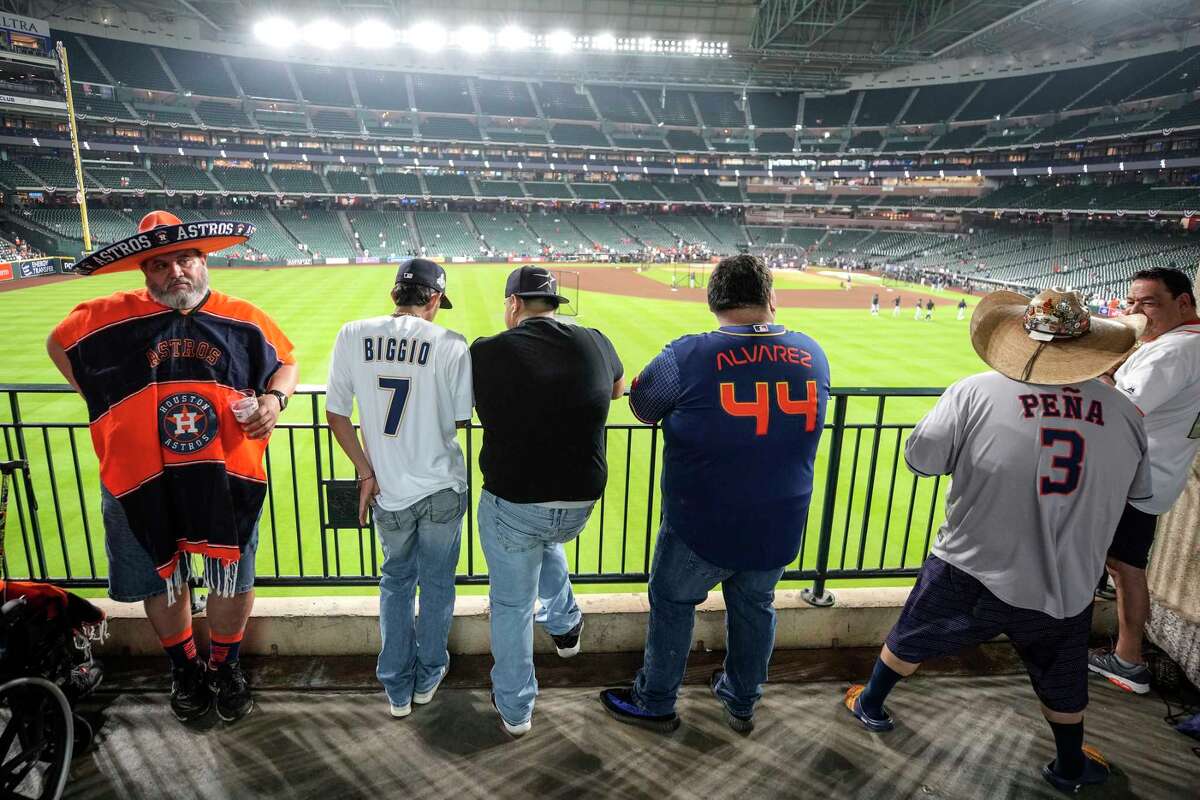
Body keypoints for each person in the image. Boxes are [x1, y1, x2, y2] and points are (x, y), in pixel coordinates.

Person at [843, 289, 1149, 794]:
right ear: (1091, 345)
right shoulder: (1125, 414)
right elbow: (1140, 494)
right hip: (1068, 577)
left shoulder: (975, 391)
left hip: (971, 562)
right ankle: (1069, 766)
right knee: (1061, 672)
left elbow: (922, 460)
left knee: (914, 634)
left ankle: (872, 704)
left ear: (1023, 340)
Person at [46, 211, 297, 724]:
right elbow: (58, 343)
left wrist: (275, 400)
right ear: (144, 271)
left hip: (226, 476)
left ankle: (225, 666)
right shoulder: (105, 315)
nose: (176, 272)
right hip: (139, 479)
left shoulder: (244, 316)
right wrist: (103, 401)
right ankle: (184, 669)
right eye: (160, 264)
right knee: (163, 580)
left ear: (203, 262)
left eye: (186, 259)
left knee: (231, 577)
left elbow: (286, 361)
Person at [599, 254, 830, 733]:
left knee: (672, 602)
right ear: (770, 297)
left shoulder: (688, 355)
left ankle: (656, 699)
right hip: (780, 519)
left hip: (701, 521)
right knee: (755, 606)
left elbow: (642, 406)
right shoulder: (813, 352)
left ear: (712, 301)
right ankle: (742, 699)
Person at [471, 266, 624, 736]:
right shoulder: (596, 339)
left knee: (513, 605)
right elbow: (617, 389)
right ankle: (566, 626)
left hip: (516, 504)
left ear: (514, 304)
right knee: (543, 538)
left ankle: (516, 709)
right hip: (579, 505)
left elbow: (464, 405)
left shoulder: (488, 350)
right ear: (554, 304)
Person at [325, 258, 472, 718]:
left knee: (395, 583)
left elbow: (336, 413)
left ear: (394, 295)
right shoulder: (451, 342)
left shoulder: (352, 334)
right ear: (432, 300)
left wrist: (365, 471)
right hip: (442, 487)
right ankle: (429, 673)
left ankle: (395, 683)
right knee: (437, 584)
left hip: (387, 489)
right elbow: (460, 420)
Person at [1089, 267, 1200, 694]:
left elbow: (1119, 410)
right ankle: (1127, 655)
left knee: (1120, 566)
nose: (1136, 311)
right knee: (1124, 565)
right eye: (1132, 302)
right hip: (1156, 476)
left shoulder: (1174, 352)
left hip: (1132, 478)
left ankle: (1127, 659)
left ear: (1184, 303)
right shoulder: (1181, 343)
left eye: (1148, 302)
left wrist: (1097, 371)